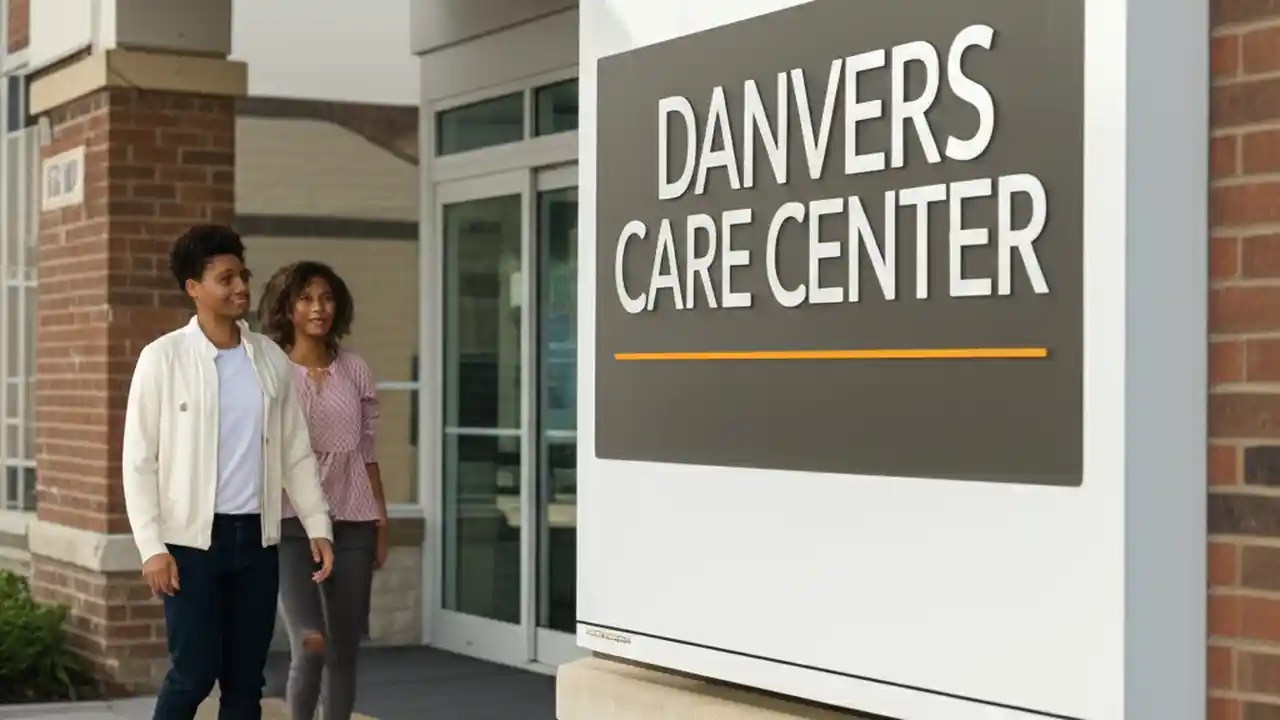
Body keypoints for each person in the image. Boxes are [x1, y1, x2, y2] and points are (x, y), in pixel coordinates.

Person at [121, 225, 336, 720]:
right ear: (193, 287)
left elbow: (296, 453)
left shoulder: (270, 359)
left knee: (245, 683)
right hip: (191, 547)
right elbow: (138, 461)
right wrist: (152, 547)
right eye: (225, 278)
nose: (240, 287)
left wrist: (317, 524)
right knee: (193, 674)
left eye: (243, 275)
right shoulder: (162, 359)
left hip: (256, 543)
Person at [257, 261, 389, 720]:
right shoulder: (270, 370)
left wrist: (381, 519)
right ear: (287, 307)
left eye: (327, 298)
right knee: (311, 642)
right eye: (307, 298)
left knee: (343, 652)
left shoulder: (354, 370)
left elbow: (368, 451)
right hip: (292, 523)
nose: (319, 308)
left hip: (352, 520)